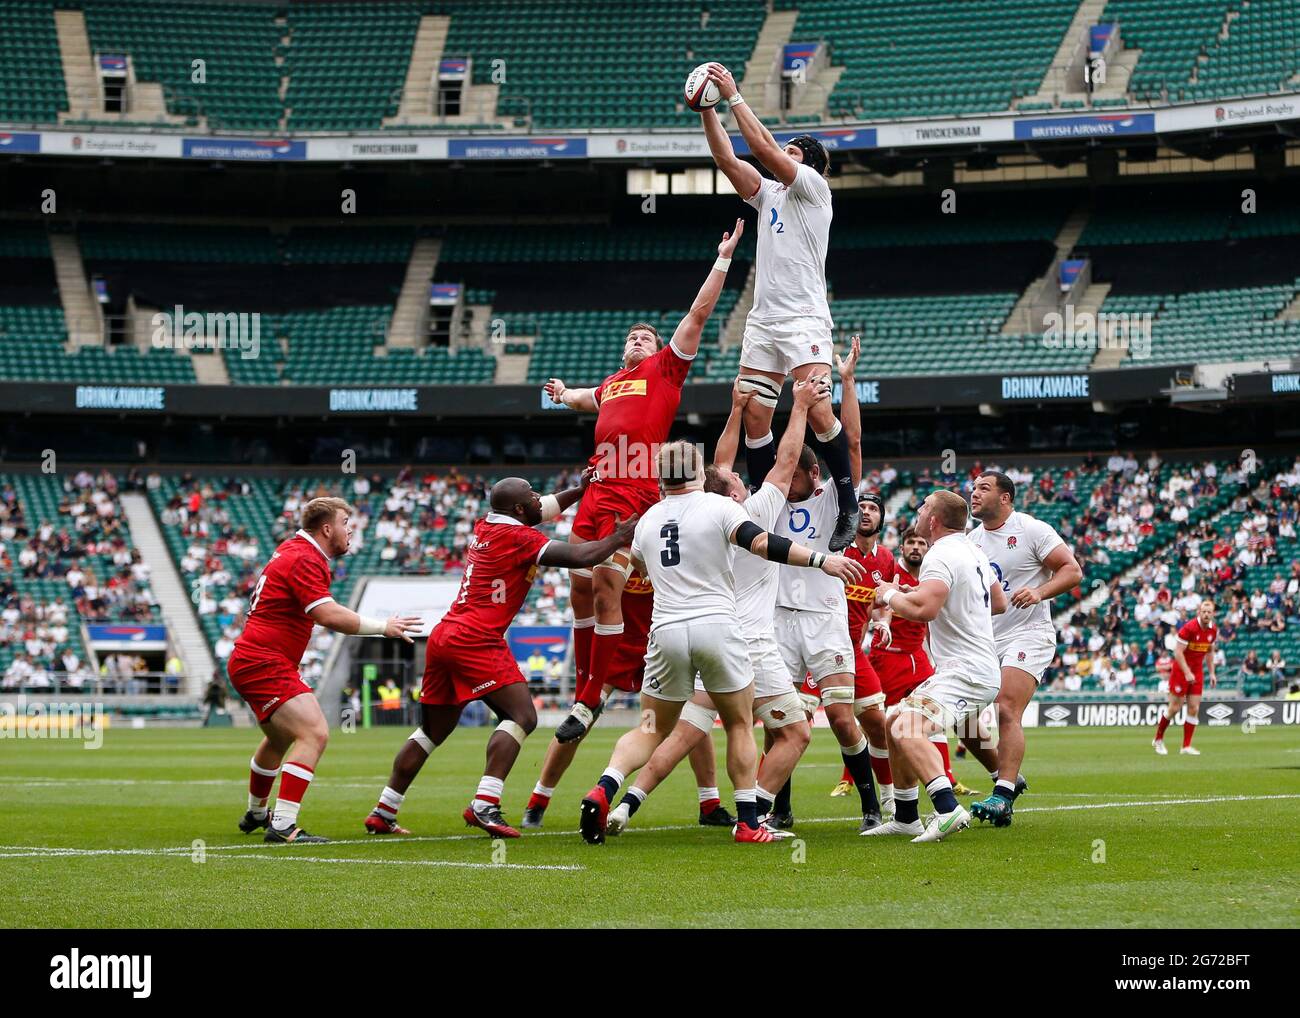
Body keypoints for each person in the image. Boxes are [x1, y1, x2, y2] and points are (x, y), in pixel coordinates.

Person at [577, 440, 865, 845]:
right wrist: (823, 560)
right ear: (698, 472)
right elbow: (762, 542)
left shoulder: (647, 521)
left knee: (651, 728)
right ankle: (748, 821)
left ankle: (605, 787)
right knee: (739, 724)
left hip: (666, 632)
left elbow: (641, 566)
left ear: (660, 477)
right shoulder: (722, 508)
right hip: (719, 629)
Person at [543, 219, 745, 745]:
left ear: (657, 350)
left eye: (646, 337)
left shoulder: (664, 371)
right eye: (631, 337)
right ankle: (587, 687)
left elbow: (697, 315)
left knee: (606, 587)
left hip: (632, 492)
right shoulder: (612, 384)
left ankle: (591, 696)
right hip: (596, 491)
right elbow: (583, 399)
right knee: (579, 590)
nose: (637, 339)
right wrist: (563, 394)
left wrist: (723, 258)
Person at [603, 376, 828, 838]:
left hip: (682, 630)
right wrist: (801, 407)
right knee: (792, 731)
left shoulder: (679, 512)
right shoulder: (747, 512)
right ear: (732, 494)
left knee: (677, 731)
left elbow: (716, 468)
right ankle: (753, 814)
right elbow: (786, 462)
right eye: (737, 480)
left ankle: (624, 802)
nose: (740, 478)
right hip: (744, 640)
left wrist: (735, 411)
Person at [364, 475, 638, 838]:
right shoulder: (518, 537)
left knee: (431, 731)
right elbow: (581, 556)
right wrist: (620, 537)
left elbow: (540, 510)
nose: (540, 498)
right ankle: (485, 804)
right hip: (476, 638)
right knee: (521, 716)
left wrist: (579, 489)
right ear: (520, 509)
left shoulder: (488, 524)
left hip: (445, 635)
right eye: (533, 495)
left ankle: (384, 810)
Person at [698, 63, 859, 550]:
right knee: (753, 413)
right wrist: (707, 110)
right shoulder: (769, 192)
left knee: (818, 409)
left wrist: (733, 96)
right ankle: (767, 505)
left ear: (809, 164)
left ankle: (848, 502)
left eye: (793, 152)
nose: (781, 156)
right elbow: (727, 159)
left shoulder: (813, 189)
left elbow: (765, 149)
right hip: (763, 320)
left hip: (804, 316)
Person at [227, 496, 422, 844]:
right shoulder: (305, 557)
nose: (351, 530)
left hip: (255, 659)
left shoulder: (294, 550)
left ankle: (257, 812)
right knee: (314, 733)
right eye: (346, 523)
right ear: (327, 528)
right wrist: (384, 627)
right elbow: (328, 615)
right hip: (264, 661)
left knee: (280, 738)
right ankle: (283, 824)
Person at [767, 344, 882, 832]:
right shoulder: (770, 497)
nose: (784, 476)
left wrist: (847, 383)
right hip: (778, 617)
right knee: (779, 718)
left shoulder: (832, 496)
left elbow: (851, 443)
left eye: (792, 470)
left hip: (823, 617)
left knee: (838, 716)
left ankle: (871, 806)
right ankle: (780, 808)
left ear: (813, 473)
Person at [863, 490, 1007, 843]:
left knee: (907, 727)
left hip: (966, 670)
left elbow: (925, 610)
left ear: (933, 520)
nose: (918, 510)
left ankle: (947, 808)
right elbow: (998, 602)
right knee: (893, 720)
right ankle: (906, 817)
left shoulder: (940, 553)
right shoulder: (973, 550)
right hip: (973, 666)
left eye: (924, 506)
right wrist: (927, 598)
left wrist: (888, 595)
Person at [965, 471, 1082, 829]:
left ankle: (1001, 795)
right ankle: (1007, 779)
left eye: (984, 488)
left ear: (1005, 498)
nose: (974, 493)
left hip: (1029, 633)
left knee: (1005, 707)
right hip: (986, 639)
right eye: (973, 488)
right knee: (962, 718)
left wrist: (1039, 592)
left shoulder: (1032, 529)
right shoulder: (970, 540)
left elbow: (1072, 570)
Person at [1153, 598, 1217, 756]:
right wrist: (1187, 672)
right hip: (1181, 671)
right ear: (1199, 612)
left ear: (1213, 614)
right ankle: (1158, 739)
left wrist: (1212, 673)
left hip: (1197, 672)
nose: (1206, 614)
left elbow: (1209, 652)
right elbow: (1178, 652)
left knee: (1194, 708)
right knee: (1174, 708)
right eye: (1204, 612)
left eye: (1209, 612)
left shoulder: (1213, 630)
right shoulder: (1189, 628)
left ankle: (1186, 746)